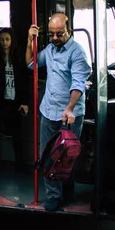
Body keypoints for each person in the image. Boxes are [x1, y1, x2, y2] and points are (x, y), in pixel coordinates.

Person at [26, 13, 91, 211]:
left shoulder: (77, 52)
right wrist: (30, 41)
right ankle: (54, 196)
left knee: (66, 155)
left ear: (68, 32)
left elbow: (79, 83)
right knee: (48, 155)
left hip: (68, 113)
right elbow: (31, 64)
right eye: (52, 34)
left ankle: (68, 191)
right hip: (48, 110)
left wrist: (70, 108)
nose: (54, 38)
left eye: (59, 34)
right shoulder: (50, 49)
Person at [0, 28, 29, 172]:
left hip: (15, 101)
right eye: (2, 39)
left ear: (12, 40)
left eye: (7, 39)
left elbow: (24, 80)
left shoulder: (19, 56)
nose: (4, 42)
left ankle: (20, 165)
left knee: (18, 134)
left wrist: (25, 102)